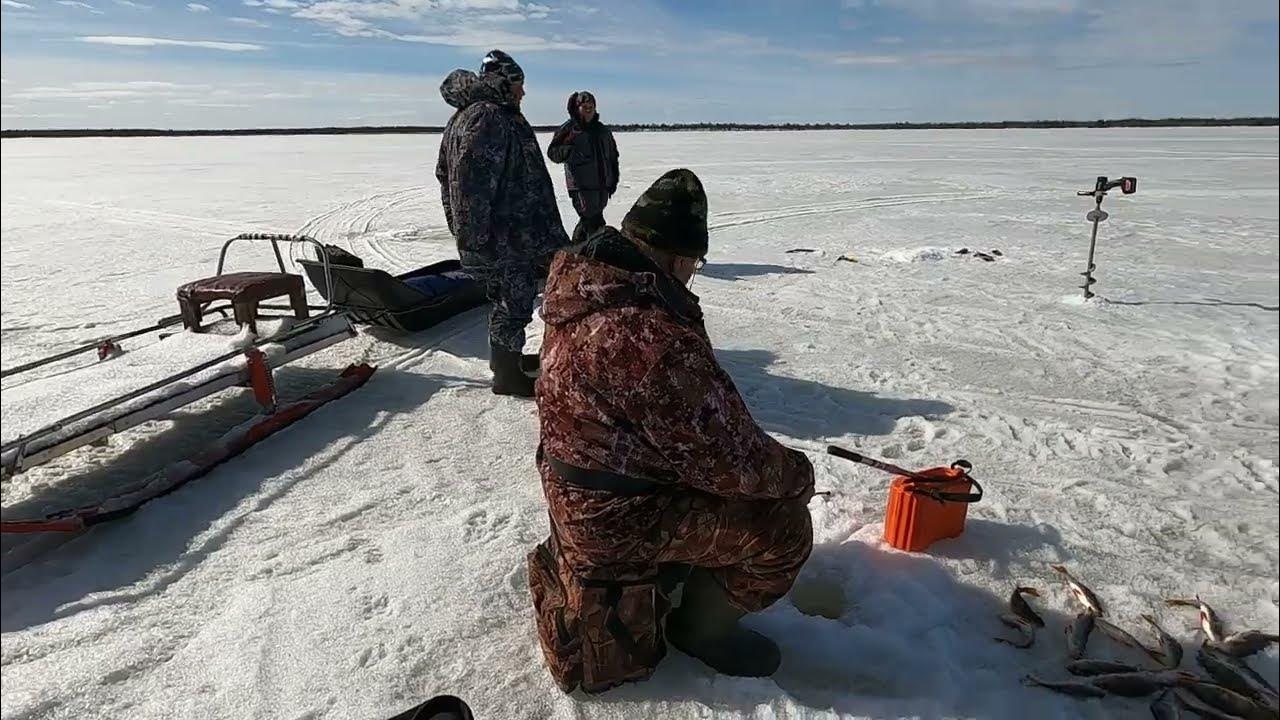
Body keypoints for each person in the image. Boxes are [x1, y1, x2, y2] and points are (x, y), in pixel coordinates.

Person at [526, 169, 815, 693]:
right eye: (695, 264)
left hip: (581, 493)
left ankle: (669, 579)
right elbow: (734, 461)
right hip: (617, 517)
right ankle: (702, 632)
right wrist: (797, 474)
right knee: (784, 527)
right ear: (679, 258)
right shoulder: (647, 334)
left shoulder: (584, 287)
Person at [435, 49, 569, 397]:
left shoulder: (482, 115)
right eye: (519, 85)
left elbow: (446, 176)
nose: (523, 93)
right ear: (502, 82)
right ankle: (508, 377)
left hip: (512, 235)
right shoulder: (486, 117)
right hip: (505, 239)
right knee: (513, 302)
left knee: (510, 302)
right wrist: (475, 239)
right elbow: (470, 184)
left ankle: (506, 363)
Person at [547, 91, 620, 245]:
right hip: (581, 188)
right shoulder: (570, 129)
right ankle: (595, 256)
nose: (588, 109)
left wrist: (613, 179)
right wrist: (570, 151)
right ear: (577, 108)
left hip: (602, 188)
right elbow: (553, 153)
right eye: (585, 106)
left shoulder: (603, 131)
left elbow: (613, 157)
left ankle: (575, 251)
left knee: (589, 223)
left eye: (591, 106)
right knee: (595, 225)